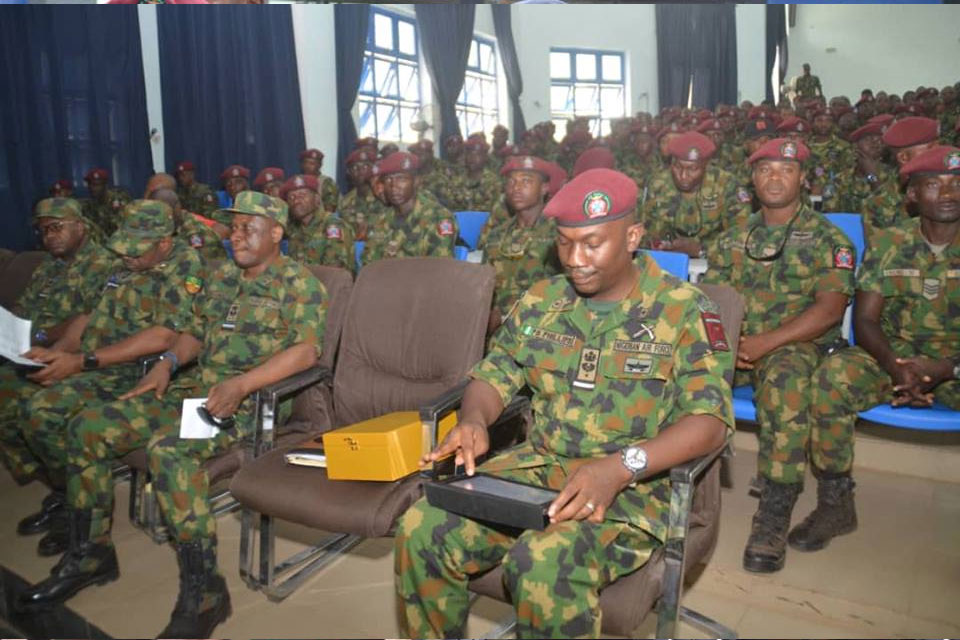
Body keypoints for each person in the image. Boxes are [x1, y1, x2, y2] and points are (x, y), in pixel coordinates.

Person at [395, 167, 734, 639]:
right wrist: (474, 419)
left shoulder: (683, 309)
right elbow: (494, 375)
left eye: (592, 243)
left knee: (541, 563)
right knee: (420, 527)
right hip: (536, 471)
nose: (575, 259)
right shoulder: (541, 300)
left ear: (633, 236)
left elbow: (709, 422)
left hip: (631, 490)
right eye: (564, 242)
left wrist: (619, 468)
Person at [18, 191, 327, 640]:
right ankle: (91, 553)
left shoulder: (299, 284)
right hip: (192, 391)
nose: (236, 236)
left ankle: (206, 592)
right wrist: (167, 364)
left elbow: (305, 352)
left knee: (169, 454)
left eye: (249, 228)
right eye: (234, 228)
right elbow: (192, 336)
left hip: (246, 405)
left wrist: (241, 385)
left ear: (276, 233)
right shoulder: (221, 277)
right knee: (88, 428)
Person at [12, 201, 205, 557]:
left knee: (51, 415)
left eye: (136, 249)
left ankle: (84, 525)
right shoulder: (125, 260)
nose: (127, 255)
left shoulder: (187, 268)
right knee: (33, 412)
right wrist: (62, 351)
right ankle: (71, 499)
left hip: (132, 370)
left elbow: (165, 336)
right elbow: (90, 315)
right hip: (94, 361)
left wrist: (81, 362)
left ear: (164, 243)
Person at [701, 138, 855, 574]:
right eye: (765, 169)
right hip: (736, 347)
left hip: (795, 348)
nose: (774, 177)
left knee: (786, 383)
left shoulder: (831, 239)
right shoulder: (732, 237)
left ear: (803, 179)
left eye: (785, 170)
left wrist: (764, 344)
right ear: (752, 180)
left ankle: (774, 509)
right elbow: (710, 303)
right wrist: (727, 348)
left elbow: (829, 310)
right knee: (672, 368)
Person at [797, 145, 960, 555]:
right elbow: (866, 320)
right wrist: (894, 365)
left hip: (954, 365)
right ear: (912, 195)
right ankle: (836, 505)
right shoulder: (889, 242)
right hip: (894, 358)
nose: (947, 193)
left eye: (957, 183)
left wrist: (945, 367)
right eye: (933, 184)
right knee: (831, 378)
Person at [0, 199, 113, 551]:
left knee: (36, 412)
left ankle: (74, 502)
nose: (49, 236)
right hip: (32, 350)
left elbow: (88, 322)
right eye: (44, 229)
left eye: (56, 227)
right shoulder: (49, 266)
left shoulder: (103, 265)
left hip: (78, 357)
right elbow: (24, 307)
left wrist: (37, 338)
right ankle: (59, 489)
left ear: (80, 225)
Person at [477, 155, 561, 335]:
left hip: (544, 328)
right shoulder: (496, 235)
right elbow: (483, 288)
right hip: (497, 330)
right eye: (511, 182)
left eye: (526, 181)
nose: (516, 188)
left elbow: (563, 293)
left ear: (544, 188)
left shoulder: (558, 234)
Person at [640, 132, 751, 258]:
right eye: (677, 167)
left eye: (692, 169)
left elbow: (741, 237)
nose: (683, 176)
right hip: (668, 260)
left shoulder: (727, 185)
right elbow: (646, 231)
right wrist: (659, 246)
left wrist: (701, 250)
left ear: (706, 166)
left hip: (717, 261)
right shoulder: (658, 184)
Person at [361, 152, 458, 265]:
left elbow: (439, 270)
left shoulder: (438, 218)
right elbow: (368, 267)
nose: (393, 186)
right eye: (388, 180)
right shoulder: (380, 221)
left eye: (401, 179)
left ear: (416, 182)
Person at [281, 174, 354, 273]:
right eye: (292, 197)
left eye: (302, 195)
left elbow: (334, 272)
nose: (296, 201)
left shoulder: (334, 226)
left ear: (317, 199)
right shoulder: (294, 230)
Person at [339, 148, 388, 242]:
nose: (360, 171)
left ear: (374, 169)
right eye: (355, 167)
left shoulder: (384, 197)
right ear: (349, 173)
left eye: (365, 166)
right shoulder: (345, 202)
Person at [80, 168, 131, 237]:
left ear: (105, 185)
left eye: (96, 185)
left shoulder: (119, 199)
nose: (92, 188)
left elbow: (125, 224)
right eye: (90, 184)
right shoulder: (90, 205)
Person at [298, 148, 339, 214]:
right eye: (305, 163)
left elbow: (330, 210)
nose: (307, 166)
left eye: (312, 163)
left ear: (319, 165)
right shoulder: (298, 182)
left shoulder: (326, 182)